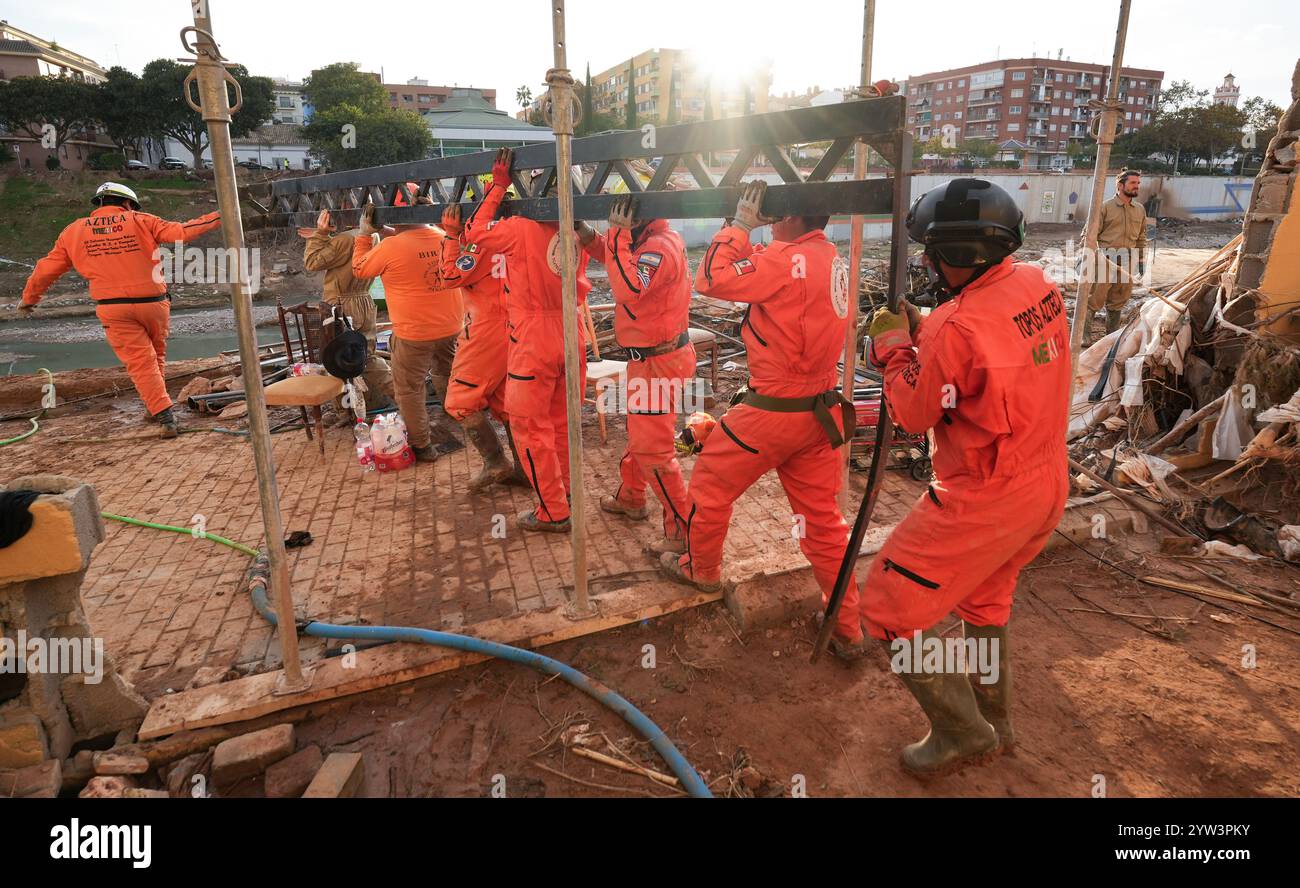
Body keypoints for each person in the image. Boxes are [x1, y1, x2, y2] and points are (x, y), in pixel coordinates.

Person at [861, 178, 1070, 776]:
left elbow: (912, 411)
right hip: (1045, 480)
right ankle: (995, 723)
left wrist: (895, 351)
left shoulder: (955, 328)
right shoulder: (1036, 286)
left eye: (930, 251)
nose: (925, 259)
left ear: (949, 256)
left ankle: (960, 734)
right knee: (984, 602)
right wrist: (926, 325)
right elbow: (986, 340)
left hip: (987, 492)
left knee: (890, 605)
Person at [658, 181, 864, 659]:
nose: (770, 223)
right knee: (824, 526)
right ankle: (847, 626)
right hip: (819, 414)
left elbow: (709, 278)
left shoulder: (780, 259)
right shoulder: (834, 261)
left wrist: (738, 228)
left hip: (774, 411)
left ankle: (701, 571)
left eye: (774, 217)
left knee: (709, 486)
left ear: (791, 218)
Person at [446, 156, 596, 532]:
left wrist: (496, 187)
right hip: (571, 332)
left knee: (530, 427)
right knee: (562, 424)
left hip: (533, 337)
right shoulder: (578, 230)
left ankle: (553, 511)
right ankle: (568, 495)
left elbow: (476, 231)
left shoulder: (520, 228)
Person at [19, 182, 221, 437]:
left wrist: (29, 299)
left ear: (100, 203)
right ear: (127, 204)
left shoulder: (73, 232)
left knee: (141, 362)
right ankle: (156, 408)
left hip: (113, 309)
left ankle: (164, 415)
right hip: (154, 304)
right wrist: (220, 214)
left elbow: (44, 270)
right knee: (155, 356)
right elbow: (182, 231)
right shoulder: (139, 220)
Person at [585, 195, 695, 555]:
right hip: (651, 360)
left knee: (653, 449)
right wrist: (590, 237)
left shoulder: (658, 248)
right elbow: (620, 262)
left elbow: (628, 287)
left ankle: (683, 531)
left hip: (657, 363)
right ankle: (632, 497)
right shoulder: (649, 241)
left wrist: (615, 235)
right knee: (641, 435)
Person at [438, 149, 527, 491]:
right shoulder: (524, 233)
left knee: (459, 402)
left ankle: (496, 462)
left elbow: (450, 277)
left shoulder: (481, 242)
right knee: (507, 404)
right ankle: (525, 468)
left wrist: (449, 237)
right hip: (518, 328)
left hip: (486, 328)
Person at [351, 194, 464, 462]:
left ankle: (422, 446)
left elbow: (359, 269)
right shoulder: (443, 237)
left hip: (414, 334)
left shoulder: (391, 248)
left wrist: (365, 235)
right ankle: (461, 420)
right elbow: (412, 236)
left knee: (410, 390)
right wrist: (385, 231)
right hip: (451, 327)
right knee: (449, 375)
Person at [300, 208, 395, 419]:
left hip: (341, 306)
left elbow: (312, 262)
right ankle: (348, 410)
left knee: (340, 359)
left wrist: (320, 235)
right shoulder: (372, 235)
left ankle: (403, 395)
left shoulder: (345, 239)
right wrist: (325, 238)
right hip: (362, 300)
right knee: (361, 356)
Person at [1084, 169, 1147, 342]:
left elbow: (1141, 237)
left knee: (1118, 301)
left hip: (1128, 261)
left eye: (1138, 183)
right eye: (1133, 183)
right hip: (1105, 259)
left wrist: (1141, 260)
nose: (1137, 187)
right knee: (1094, 299)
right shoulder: (1104, 207)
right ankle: (1084, 337)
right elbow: (1088, 235)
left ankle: (1111, 338)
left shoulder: (1139, 210)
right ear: (1120, 185)